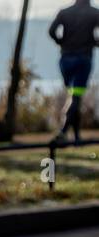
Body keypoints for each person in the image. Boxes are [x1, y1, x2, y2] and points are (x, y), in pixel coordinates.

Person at [49, 0, 99, 145]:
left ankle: (77, 137)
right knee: (75, 97)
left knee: (74, 97)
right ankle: (63, 131)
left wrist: (61, 42)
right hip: (83, 60)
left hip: (65, 61)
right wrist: (94, 42)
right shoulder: (94, 13)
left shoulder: (65, 12)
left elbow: (51, 31)